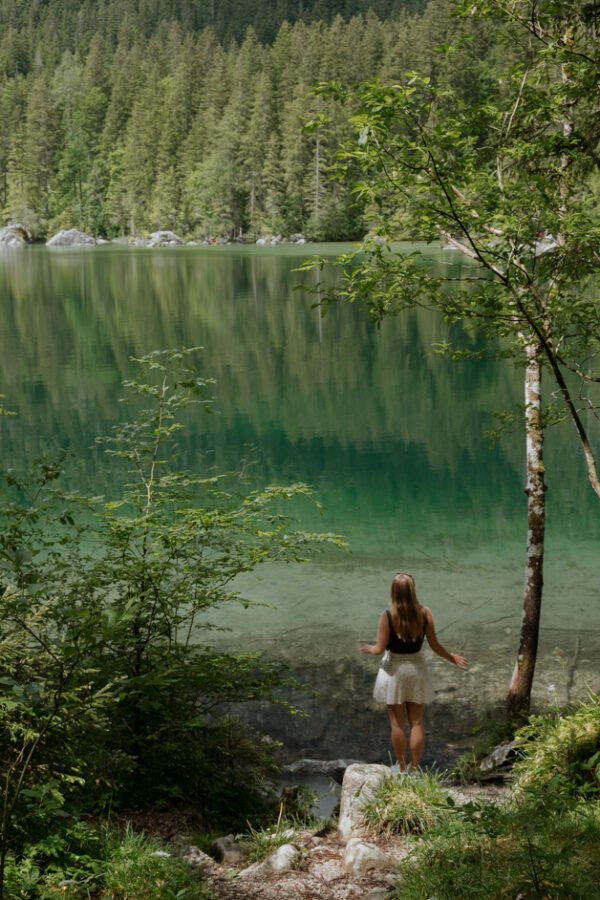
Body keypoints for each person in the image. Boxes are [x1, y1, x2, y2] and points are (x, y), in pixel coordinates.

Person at [360, 572, 468, 773]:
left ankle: (401, 768)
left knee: (397, 724)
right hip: (417, 670)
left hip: (394, 672)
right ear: (412, 591)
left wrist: (370, 648)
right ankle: (415, 768)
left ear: (393, 592)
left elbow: (379, 649)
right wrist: (451, 657)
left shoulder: (387, 616)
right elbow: (434, 645)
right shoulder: (425, 613)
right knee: (417, 722)